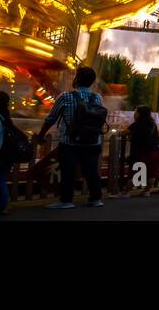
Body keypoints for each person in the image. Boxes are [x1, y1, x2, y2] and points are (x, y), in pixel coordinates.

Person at [36, 65, 106, 209]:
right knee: (91, 171)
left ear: (77, 79)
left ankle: (66, 200)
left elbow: (51, 118)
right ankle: (96, 199)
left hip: (70, 141)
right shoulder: (97, 97)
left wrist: (41, 135)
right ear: (92, 81)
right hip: (93, 141)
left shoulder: (66, 96)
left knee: (68, 171)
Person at [125, 105, 159, 198]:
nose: (134, 113)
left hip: (142, 152)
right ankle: (147, 191)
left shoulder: (138, 124)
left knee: (135, 172)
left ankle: (126, 193)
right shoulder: (153, 124)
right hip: (154, 151)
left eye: (136, 111)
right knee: (151, 173)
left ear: (140, 113)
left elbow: (124, 132)